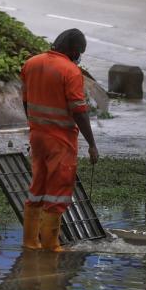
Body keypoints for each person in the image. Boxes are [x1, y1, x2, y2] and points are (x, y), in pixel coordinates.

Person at [20, 28, 99, 251]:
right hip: (60, 140)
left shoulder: (31, 63)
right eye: (80, 52)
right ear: (74, 51)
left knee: (37, 187)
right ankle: (51, 246)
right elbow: (79, 111)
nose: (79, 56)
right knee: (57, 190)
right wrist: (92, 144)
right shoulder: (71, 71)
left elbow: (26, 101)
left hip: (37, 136)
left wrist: (35, 126)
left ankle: (30, 242)